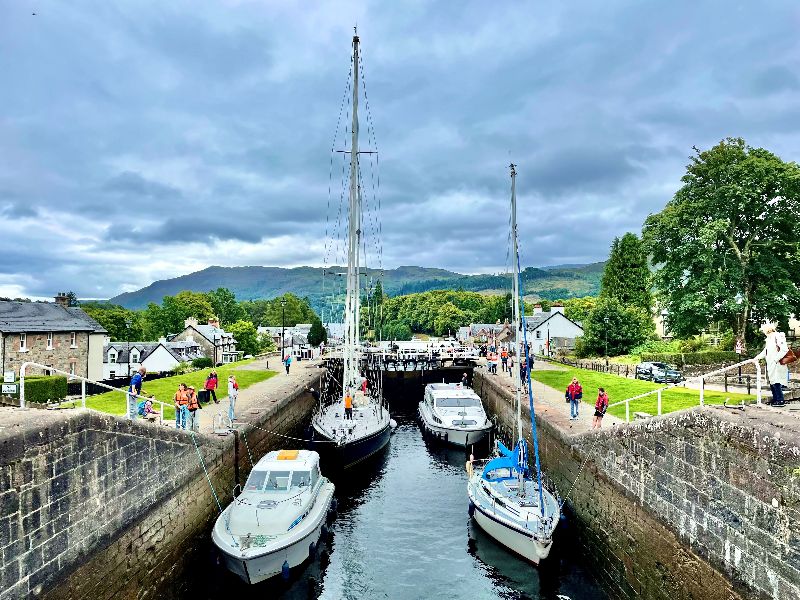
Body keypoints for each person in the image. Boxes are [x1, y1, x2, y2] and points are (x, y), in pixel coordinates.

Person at [755, 322, 789, 407]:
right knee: (772, 381)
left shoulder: (778, 336)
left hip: (776, 363)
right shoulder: (769, 339)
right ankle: (775, 399)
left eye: (763, 330)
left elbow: (784, 349)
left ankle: (780, 400)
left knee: (776, 381)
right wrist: (757, 357)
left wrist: (775, 359)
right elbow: (765, 351)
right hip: (771, 363)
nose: (763, 332)